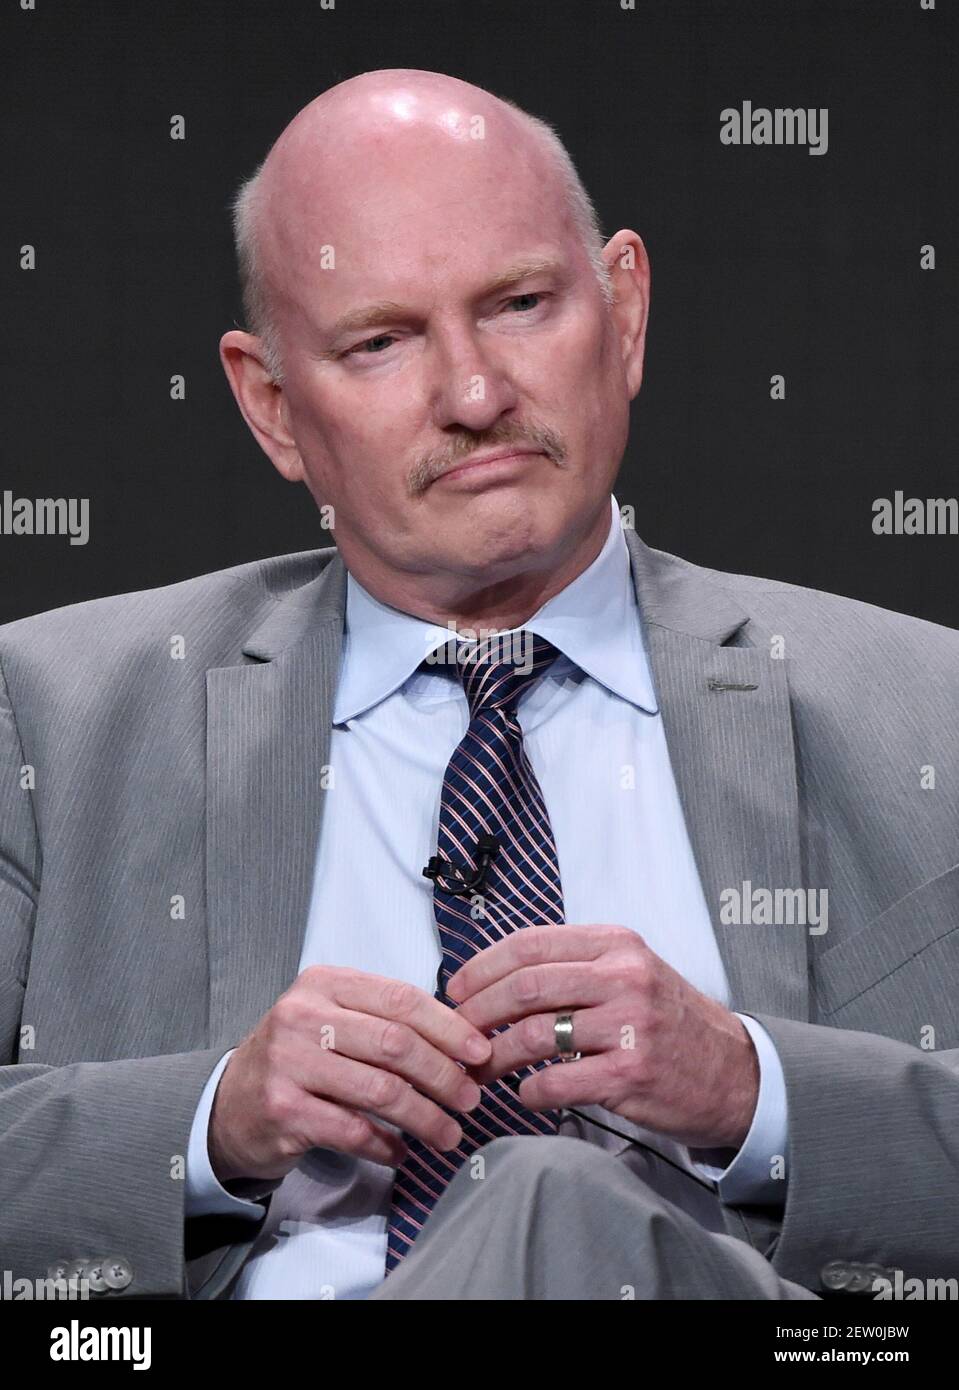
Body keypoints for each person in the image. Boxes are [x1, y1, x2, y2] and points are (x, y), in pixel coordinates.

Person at [1, 69, 956, 1303]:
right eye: (382, 341)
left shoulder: (923, 710)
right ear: (273, 407)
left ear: (622, 311)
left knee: (552, 1197)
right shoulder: (48, 718)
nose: (472, 395)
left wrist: (754, 1088)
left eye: (516, 304)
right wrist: (212, 1122)